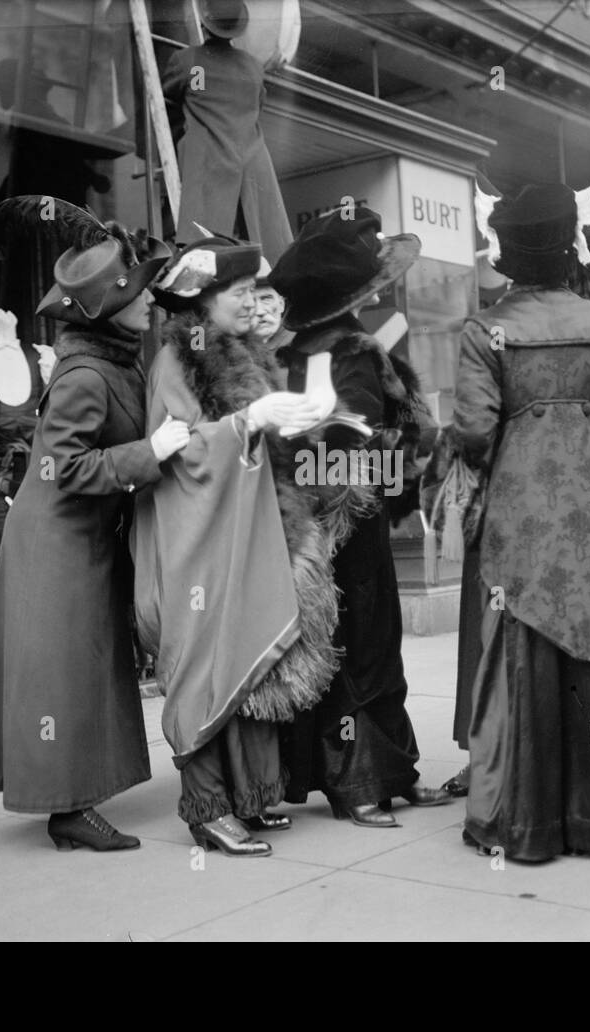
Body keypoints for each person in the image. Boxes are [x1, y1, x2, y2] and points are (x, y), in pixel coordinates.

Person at [451, 180, 590, 860]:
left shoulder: (486, 328)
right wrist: (580, 434)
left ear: (506, 254)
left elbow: (474, 429)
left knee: (528, 637)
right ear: (570, 245)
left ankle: (532, 822)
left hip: (521, 506)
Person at [0, 198, 185, 849]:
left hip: (80, 536)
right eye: (140, 294)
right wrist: (152, 453)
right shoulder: (84, 377)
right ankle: (66, 811)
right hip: (56, 543)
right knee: (65, 670)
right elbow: (63, 470)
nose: (150, 302)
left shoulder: (112, 361)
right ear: (105, 310)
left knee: (83, 667)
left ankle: (73, 797)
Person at [134, 235, 340, 857]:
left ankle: (248, 798)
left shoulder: (243, 352)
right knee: (204, 663)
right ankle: (206, 808)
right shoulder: (176, 361)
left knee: (250, 659)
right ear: (206, 300)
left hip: (245, 530)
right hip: (199, 540)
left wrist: (286, 422)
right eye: (243, 291)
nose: (255, 301)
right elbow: (183, 451)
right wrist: (248, 423)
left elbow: (254, 441)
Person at [269, 206, 453, 828]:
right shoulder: (350, 351)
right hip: (340, 526)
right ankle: (359, 783)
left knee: (366, 645)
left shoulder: (301, 352)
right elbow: (360, 440)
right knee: (358, 648)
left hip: (321, 523)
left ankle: (392, 773)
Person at [161, 0, 293, 257]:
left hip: (211, 161)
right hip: (253, 162)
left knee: (204, 251)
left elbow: (163, 95)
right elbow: (258, 105)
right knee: (263, 248)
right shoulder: (254, 67)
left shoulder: (187, 60)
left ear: (203, 22)